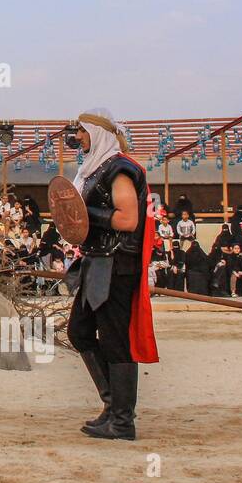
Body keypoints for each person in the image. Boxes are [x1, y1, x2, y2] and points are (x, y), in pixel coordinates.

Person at [62, 109, 158, 441]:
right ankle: (112, 406)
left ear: (98, 133)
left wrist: (86, 214)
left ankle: (122, 421)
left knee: (115, 341)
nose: (80, 139)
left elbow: (127, 219)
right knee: (80, 331)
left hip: (117, 265)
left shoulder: (120, 169)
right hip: (97, 262)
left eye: (84, 133)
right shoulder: (96, 169)